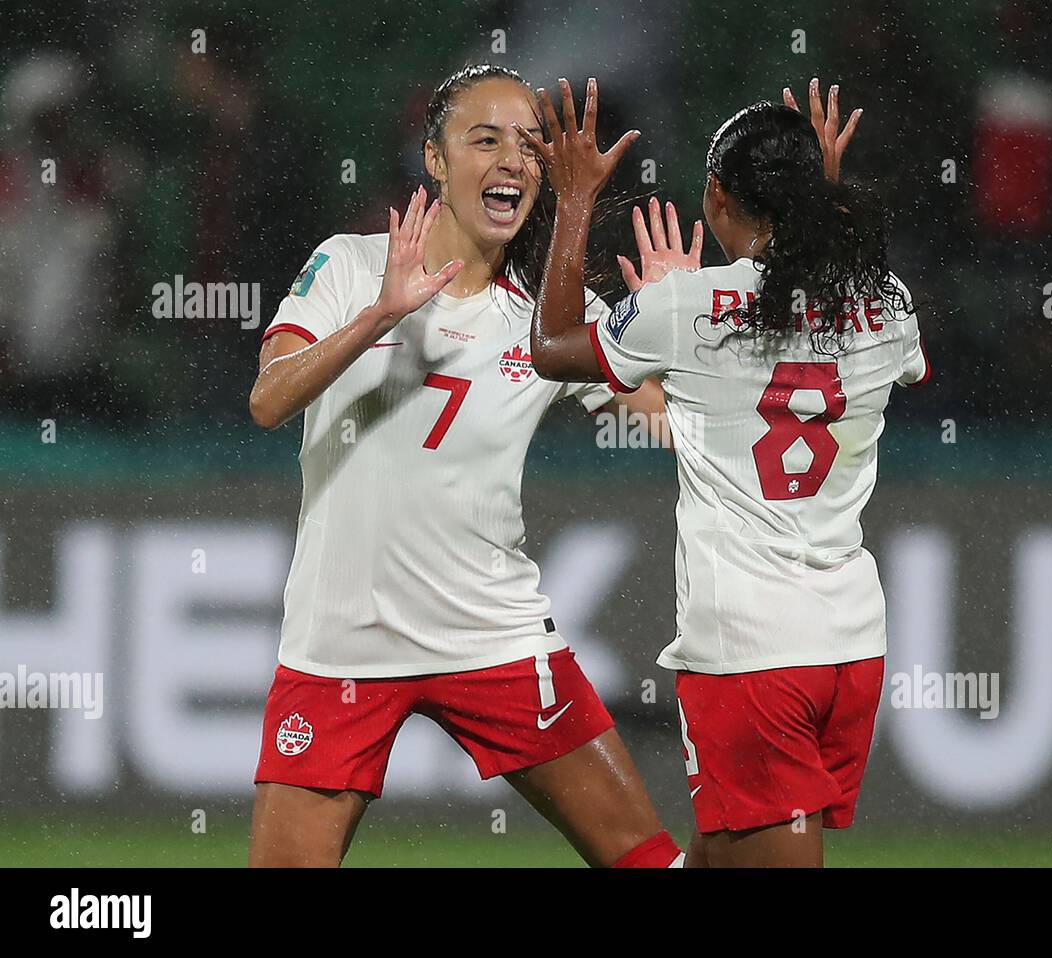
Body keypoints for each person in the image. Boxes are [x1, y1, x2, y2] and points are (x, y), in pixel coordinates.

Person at [247, 64, 684, 868]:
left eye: (528, 144)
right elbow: (270, 401)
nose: (511, 160)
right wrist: (380, 315)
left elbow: (677, 432)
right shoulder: (350, 265)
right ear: (436, 161)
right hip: (340, 646)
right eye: (484, 140)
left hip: (494, 638)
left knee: (649, 859)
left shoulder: (551, 317)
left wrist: (679, 328)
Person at [518, 77, 930, 867]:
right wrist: (825, 197)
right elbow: (881, 350)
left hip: (751, 653)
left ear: (716, 194)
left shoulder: (694, 306)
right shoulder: (890, 300)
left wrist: (573, 199)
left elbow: (552, 345)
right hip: (851, 645)